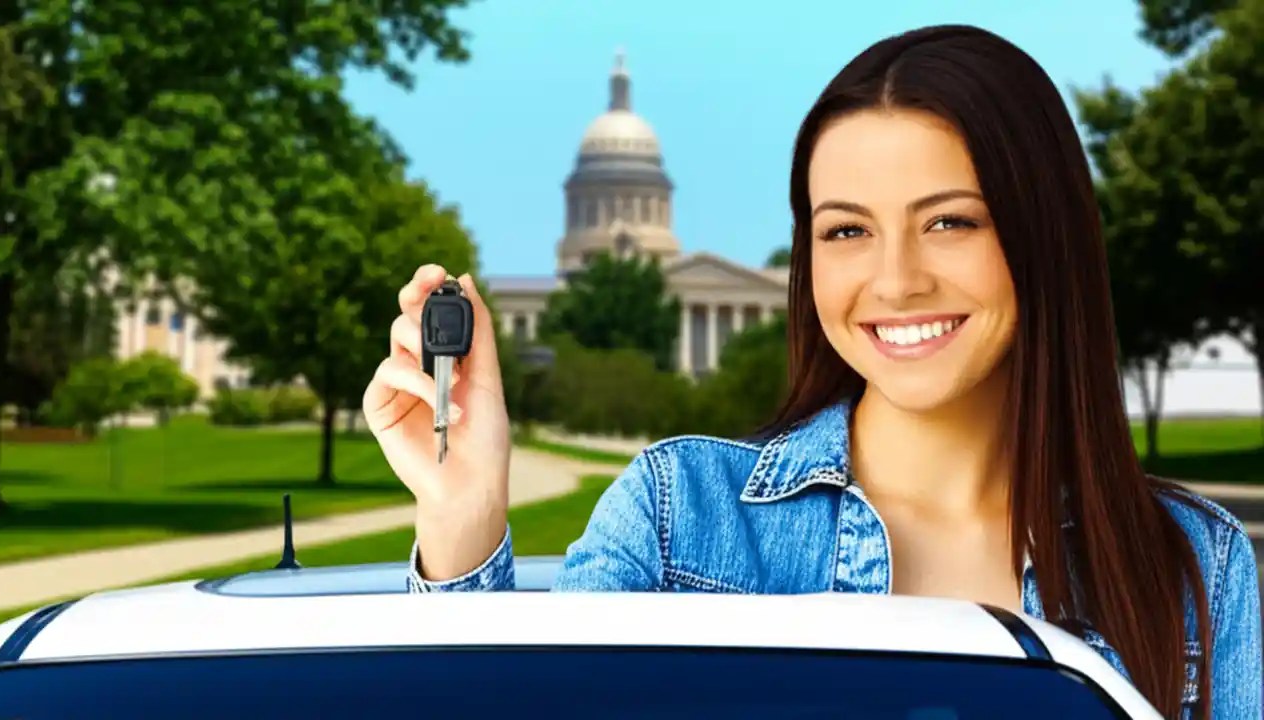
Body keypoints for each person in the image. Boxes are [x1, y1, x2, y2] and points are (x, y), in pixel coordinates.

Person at [362, 24, 1260, 720]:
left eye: (950, 221)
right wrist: (463, 520)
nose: (896, 281)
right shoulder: (683, 519)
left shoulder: (1196, 568)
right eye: (846, 230)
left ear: (1043, 233)